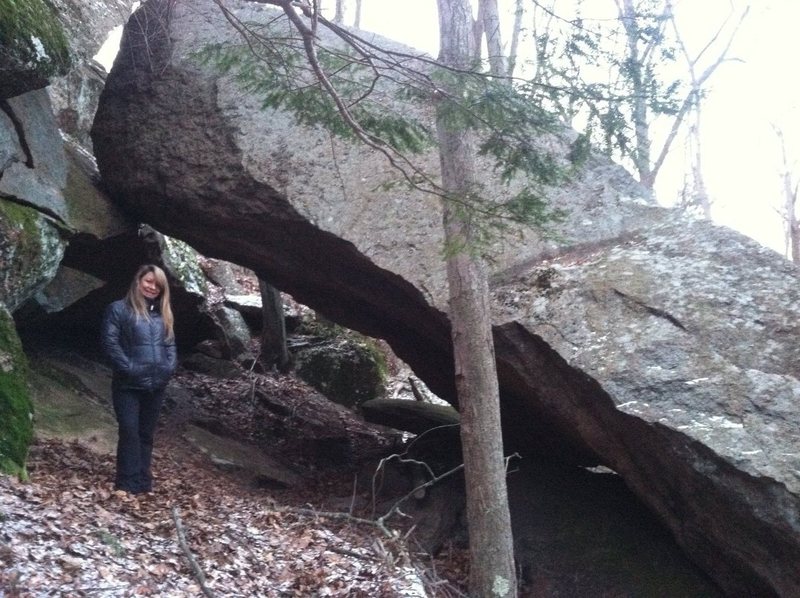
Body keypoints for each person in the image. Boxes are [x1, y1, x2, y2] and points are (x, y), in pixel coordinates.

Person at [101, 264, 177, 494]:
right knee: (129, 431)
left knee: (145, 434)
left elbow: (170, 345)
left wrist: (167, 369)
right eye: (149, 282)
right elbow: (110, 343)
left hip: (156, 385)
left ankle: (143, 483)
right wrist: (129, 368)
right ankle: (126, 483)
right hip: (128, 385)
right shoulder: (118, 309)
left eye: (158, 285)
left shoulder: (162, 314)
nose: (152, 287)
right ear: (138, 281)